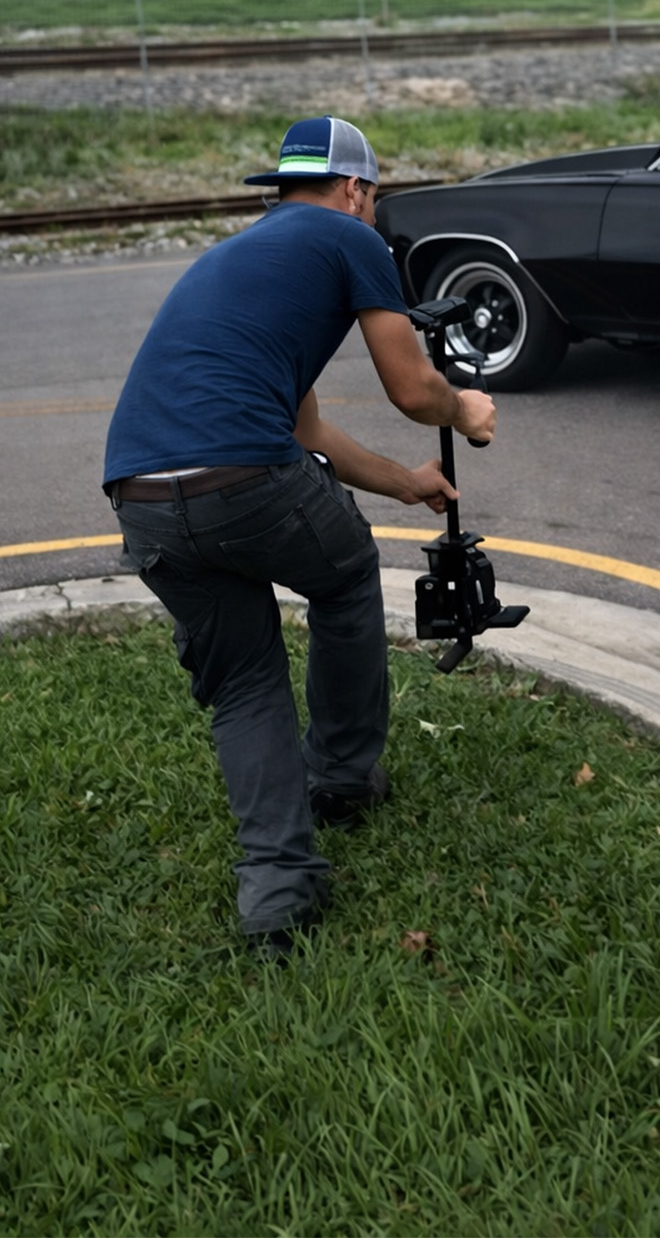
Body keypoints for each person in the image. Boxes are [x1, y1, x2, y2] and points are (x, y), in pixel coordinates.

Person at [103, 114, 495, 956]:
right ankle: (346, 778)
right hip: (245, 478)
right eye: (374, 195)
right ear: (355, 189)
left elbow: (308, 428)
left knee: (243, 681)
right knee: (347, 576)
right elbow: (410, 384)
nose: (373, 209)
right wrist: (463, 409)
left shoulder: (248, 259)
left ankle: (278, 893)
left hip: (139, 492)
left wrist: (406, 482)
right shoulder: (348, 236)